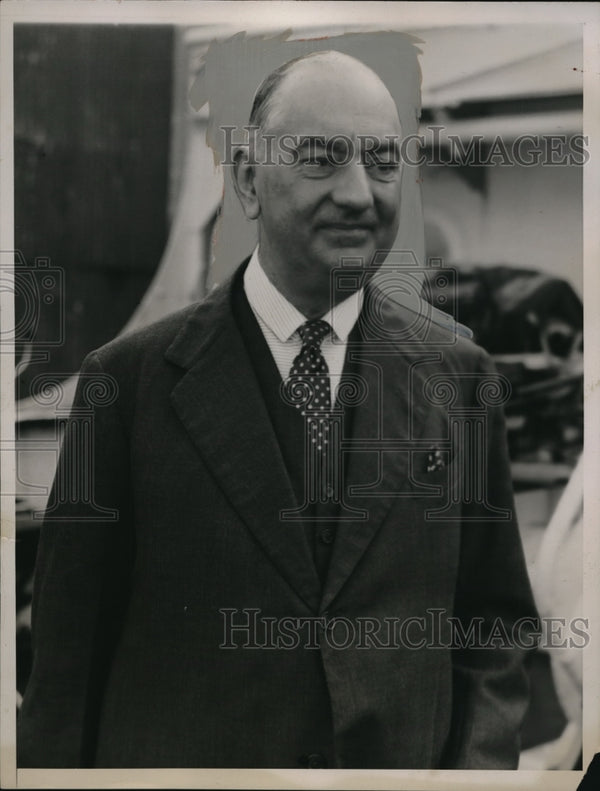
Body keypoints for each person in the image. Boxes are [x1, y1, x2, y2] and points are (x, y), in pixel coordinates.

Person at [18, 49, 538, 770]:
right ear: (246, 180)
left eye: (384, 162)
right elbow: (65, 668)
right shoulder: (125, 388)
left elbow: (495, 630)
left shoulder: (460, 380)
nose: (360, 193)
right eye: (322, 158)